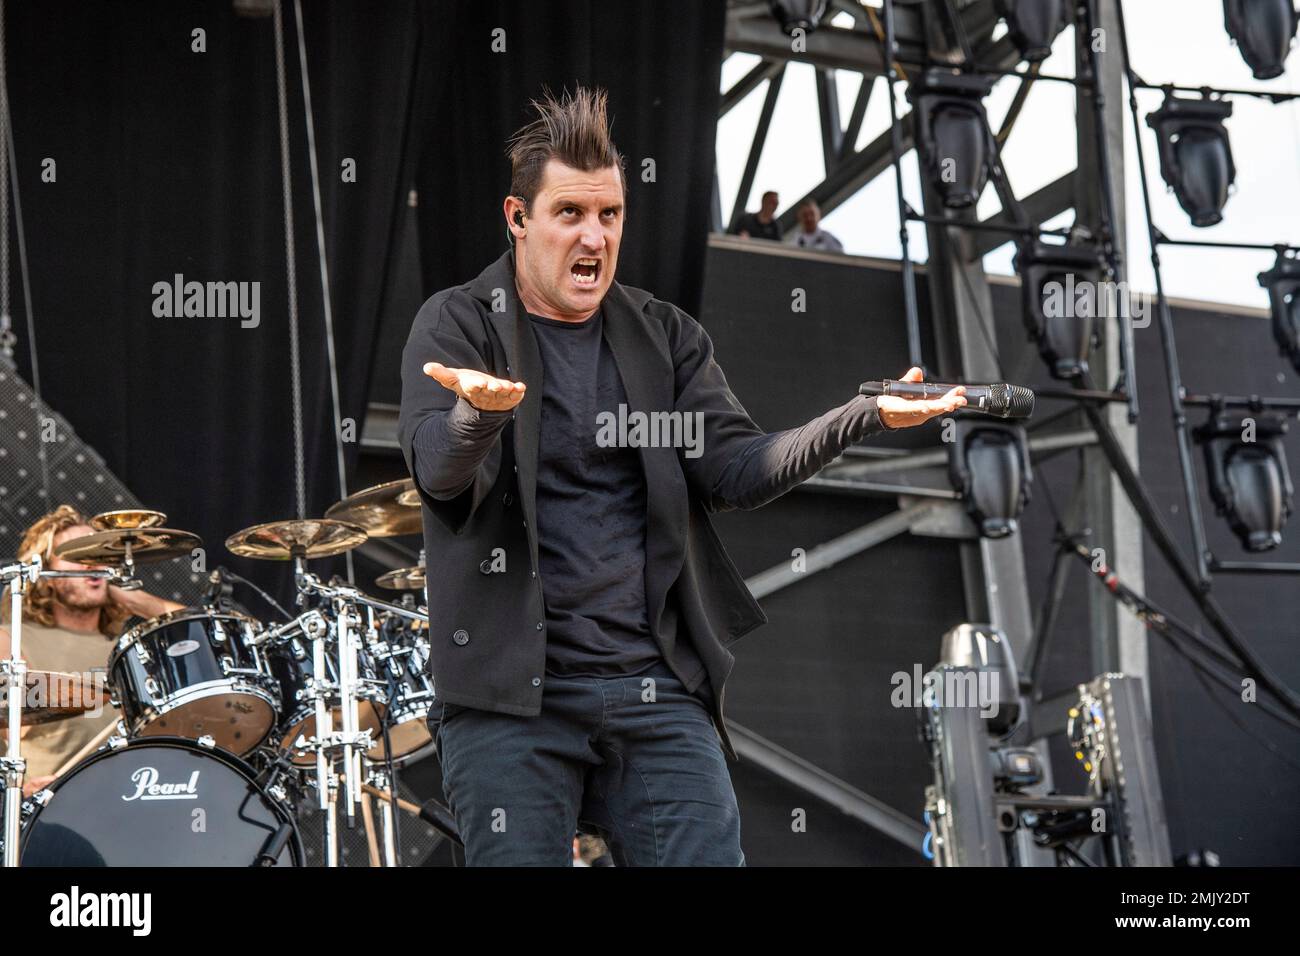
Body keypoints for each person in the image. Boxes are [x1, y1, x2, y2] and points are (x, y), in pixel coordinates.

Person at [398, 86, 965, 866]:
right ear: (518, 218)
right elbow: (438, 471)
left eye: (610, 214)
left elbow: (738, 469)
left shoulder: (662, 335)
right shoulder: (461, 321)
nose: (594, 235)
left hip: (652, 687)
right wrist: (478, 417)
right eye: (570, 213)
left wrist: (863, 415)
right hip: (509, 703)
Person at [0, 505, 184, 796]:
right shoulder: (13, 637)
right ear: (45, 573)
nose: (90, 564)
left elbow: (206, 633)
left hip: (131, 798)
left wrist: (137, 601)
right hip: (54, 811)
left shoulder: (131, 649)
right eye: (77, 555)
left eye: (97, 555)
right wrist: (18, 791)